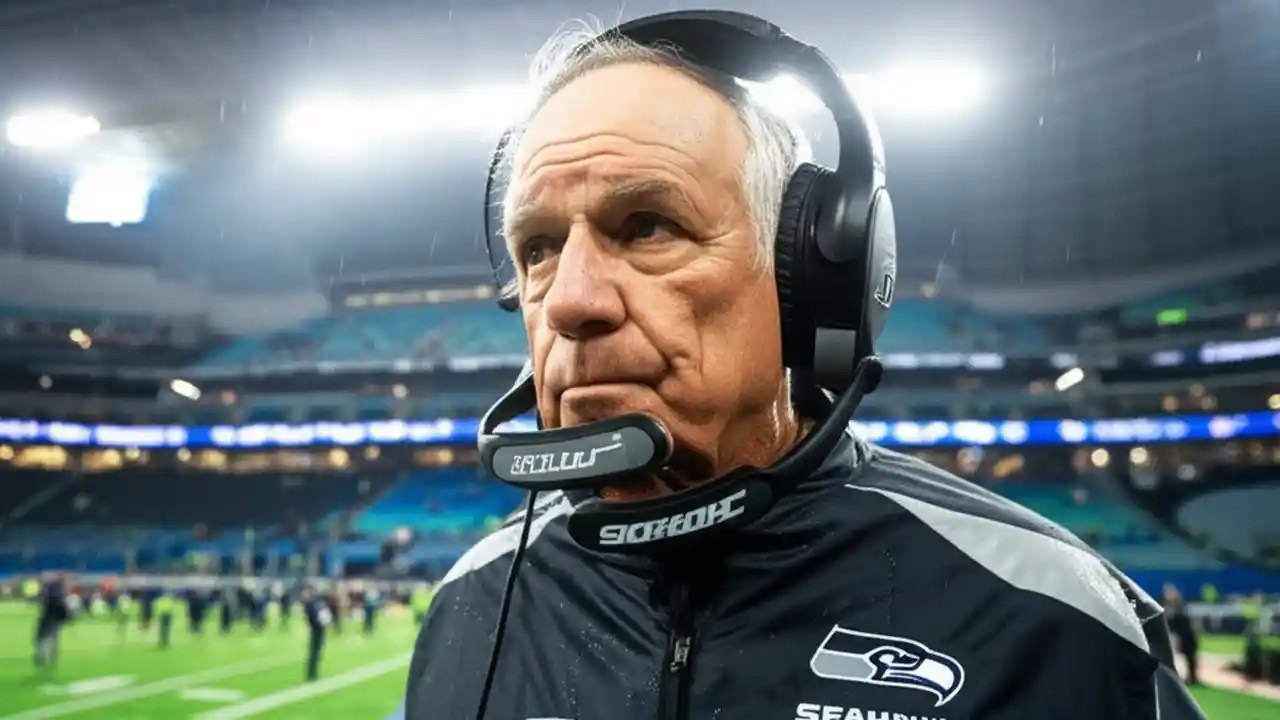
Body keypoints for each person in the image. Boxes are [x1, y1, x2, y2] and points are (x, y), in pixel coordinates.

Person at [406, 11, 1204, 720]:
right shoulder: (471, 605)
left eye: (647, 226)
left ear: (812, 277)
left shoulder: (1049, 618)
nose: (571, 301)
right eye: (538, 249)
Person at [1163, 584, 1199, 685]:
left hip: (1187, 636)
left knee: (1190, 658)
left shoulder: (1181, 607)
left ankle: (1193, 677)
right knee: (1178, 659)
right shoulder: (1169, 609)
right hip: (1179, 637)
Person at [34, 575, 69, 668]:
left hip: (47, 620)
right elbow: (63, 611)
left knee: (42, 639)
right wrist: (65, 619)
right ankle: (50, 657)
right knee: (52, 639)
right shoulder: (58, 598)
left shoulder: (51, 597)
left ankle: (42, 657)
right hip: (53, 621)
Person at [302, 587, 330, 682]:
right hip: (316, 629)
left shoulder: (315, 603)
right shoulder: (313, 604)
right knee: (314, 653)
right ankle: (311, 674)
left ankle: (313, 674)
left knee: (316, 652)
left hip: (318, 628)